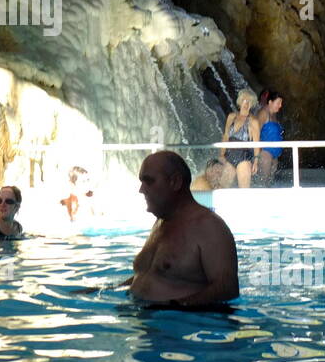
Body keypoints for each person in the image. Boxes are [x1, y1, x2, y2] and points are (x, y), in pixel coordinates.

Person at [117, 151, 238, 307]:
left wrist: (174, 307)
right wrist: (106, 290)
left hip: (179, 326)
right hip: (147, 318)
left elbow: (227, 288)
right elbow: (151, 274)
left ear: (175, 182)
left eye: (149, 181)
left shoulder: (209, 227)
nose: (142, 189)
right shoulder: (161, 222)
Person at [221, 89, 260, 188]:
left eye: (249, 102)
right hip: (229, 157)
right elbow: (225, 136)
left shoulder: (253, 121)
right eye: (244, 100)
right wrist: (221, 155)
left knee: (244, 192)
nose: (246, 104)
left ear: (252, 104)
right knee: (222, 189)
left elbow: (257, 144)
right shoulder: (231, 117)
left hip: (244, 158)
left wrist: (255, 162)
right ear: (239, 101)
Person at [256, 91, 285, 185]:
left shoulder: (274, 114)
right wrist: (257, 154)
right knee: (264, 182)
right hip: (265, 153)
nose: (280, 105)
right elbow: (255, 133)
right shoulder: (263, 113)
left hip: (274, 155)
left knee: (270, 183)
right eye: (278, 103)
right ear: (270, 102)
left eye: (281, 103)